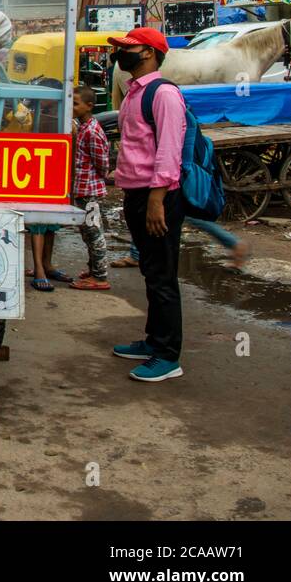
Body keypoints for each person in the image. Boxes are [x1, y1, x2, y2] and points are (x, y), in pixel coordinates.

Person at [108, 26, 186, 383]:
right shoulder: (133, 93)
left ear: (150, 53)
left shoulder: (163, 94)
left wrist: (157, 199)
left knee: (162, 276)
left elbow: (169, 150)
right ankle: (153, 341)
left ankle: (168, 356)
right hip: (137, 194)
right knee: (151, 272)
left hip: (158, 197)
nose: (122, 54)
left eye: (130, 48)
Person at [69, 84, 111, 290]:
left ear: (89, 106)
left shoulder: (92, 132)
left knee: (94, 233)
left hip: (90, 191)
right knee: (87, 232)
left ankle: (100, 276)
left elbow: (102, 163)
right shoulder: (82, 127)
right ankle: (94, 269)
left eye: (75, 104)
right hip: (82, 188)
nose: (72, 107)